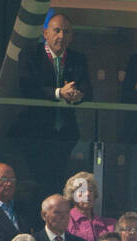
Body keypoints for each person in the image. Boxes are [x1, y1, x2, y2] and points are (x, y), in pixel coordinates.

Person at [15, 12, 89, 201]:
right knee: (36, 187)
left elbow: (87, 88)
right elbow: (27, 87)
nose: (61, 36)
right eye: (57, 31)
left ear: (71, 36)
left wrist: (77, 95)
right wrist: (59, 93)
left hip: (65, 135)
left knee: (59, 185)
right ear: (45, 33)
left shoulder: (78, 59)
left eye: (66, 32)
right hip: (34, 134)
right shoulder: (30, 54)